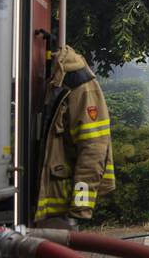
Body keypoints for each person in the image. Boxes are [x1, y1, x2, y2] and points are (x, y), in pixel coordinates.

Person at [34, 44, 115, 227]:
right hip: (41, 199)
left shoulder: (79, 85)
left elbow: (93, 151)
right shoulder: (49, 79)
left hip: (59, 204)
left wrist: (80, 205)